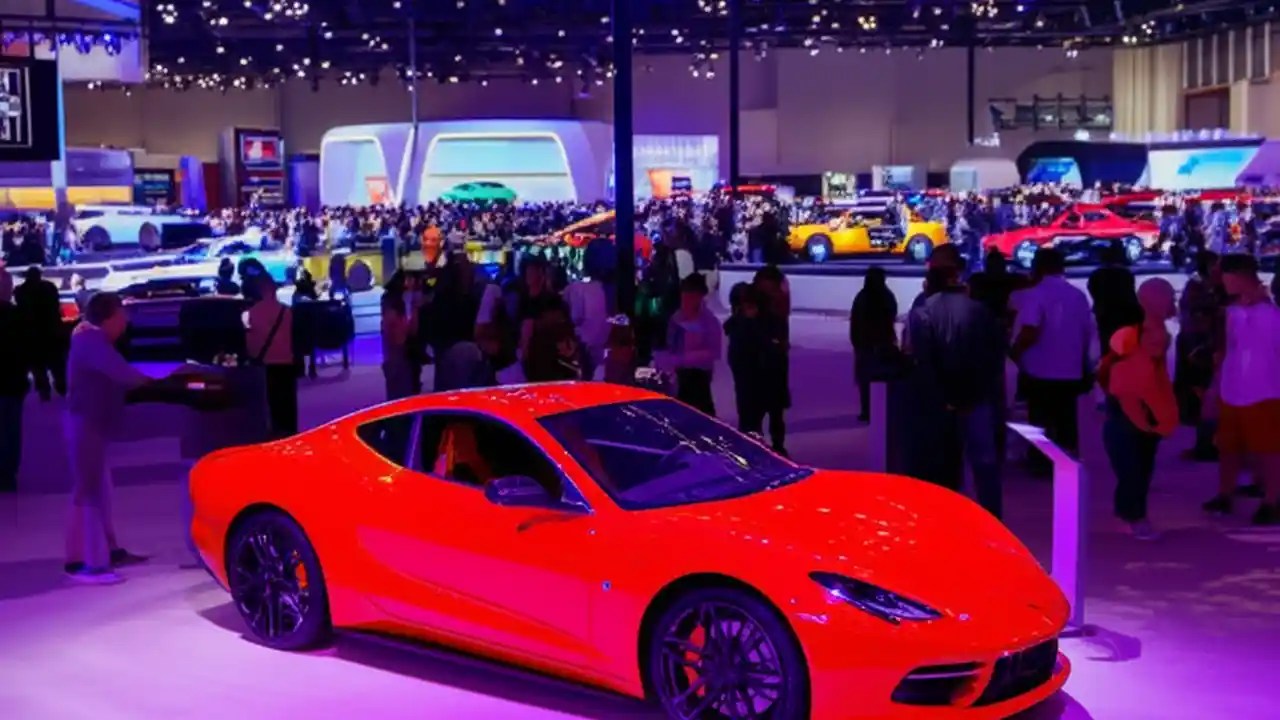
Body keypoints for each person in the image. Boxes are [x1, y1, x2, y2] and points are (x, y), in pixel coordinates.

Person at [63, 293, 153, 584]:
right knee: (89, 491)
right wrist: (162, 379)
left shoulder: (91, 339)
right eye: (121, 315)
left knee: (99, 490)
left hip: (92, 424)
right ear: (108, 317)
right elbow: (124, 374)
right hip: (85, 423)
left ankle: (109, 551)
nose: (125, 321)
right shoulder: (92, 341)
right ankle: (89, 563)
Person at [908, 262, 1008, 518]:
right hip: (976, 397)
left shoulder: (923, 312)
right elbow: (995, 354)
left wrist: (940, 397)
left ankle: (947, 514)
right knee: (984, 463)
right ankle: (992, 517)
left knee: (943, 461)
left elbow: (923, 360)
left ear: (928, 284)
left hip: (940, 401)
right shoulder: (980, 311)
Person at [1203, 254, 1280, 525]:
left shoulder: (1271, 312)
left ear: (1236, 276)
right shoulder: (1231, 311)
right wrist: (1216, 386)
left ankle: (1272, 499)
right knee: (1229, 447)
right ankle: (1225, 494)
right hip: (1232, 389)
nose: (1221, 282)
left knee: (1268, 449)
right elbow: (1226, 350)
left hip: (1266, 391)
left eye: (1224, 276)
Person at [1100, 280, 1179, 540]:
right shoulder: (1138, 333)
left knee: (1141, 464)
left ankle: (1129, 512)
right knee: (1133, 464)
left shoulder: (1151, 330)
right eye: (1167, 297)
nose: (1172, 302)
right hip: (1130, 405)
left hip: (1143, 406)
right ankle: (1133, 515)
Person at [1010, 248, 1094, 473]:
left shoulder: (1036, 294)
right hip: (1071, 368)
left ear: (1038, 267)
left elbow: (1030, 330)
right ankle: (1068, 461)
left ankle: (1041, 464)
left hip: (1041, 369)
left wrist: (1014, 353)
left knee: (1041, 418)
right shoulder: (1078, 296)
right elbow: (1087, 332)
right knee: (1067, 417)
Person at [724, 283, 789, 454]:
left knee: (771, 417)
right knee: (751, 421)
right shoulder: (738, 323)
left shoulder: (768, 322)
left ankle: (774, 448)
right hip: (750, 381)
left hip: (767, 379)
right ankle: (754, 449)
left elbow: (777, 350)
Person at [245, 276, 298, 439]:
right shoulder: (287, 311)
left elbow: (251, 343)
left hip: (266, 364)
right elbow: (294, 338)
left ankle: (275, 435)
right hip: (286, 361)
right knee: (288, 402)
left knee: (271, 402)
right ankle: (291, 434)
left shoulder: (252, 313)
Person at [849, 266, 899, 423]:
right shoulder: (887, 296)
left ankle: (867, 410)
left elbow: (855, 322)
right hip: (882, 343)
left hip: (865, 344)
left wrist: (856, 341)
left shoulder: (862, 297)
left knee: (866, 381)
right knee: (883, 379)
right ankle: (882, 410)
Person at [667, 273, 721, 416]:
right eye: (684, 296)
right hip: (681, 375)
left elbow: (715, 351)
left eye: (691, 296)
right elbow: (671, 347)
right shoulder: (676, 318)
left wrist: (690, 356)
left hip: (700, 376)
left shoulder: (709, 321)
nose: (687, 300)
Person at [15, 266, 65, 401]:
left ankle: (45, 391)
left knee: (38, 366)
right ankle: (62, 387)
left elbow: (21, 311)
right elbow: (56, 306)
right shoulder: (49, 288)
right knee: (56, 364)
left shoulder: (21, 291)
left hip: (32, 335)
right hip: (51, 332)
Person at [1087, 243, 1142, 354]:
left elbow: (1093, 291)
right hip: (1125, 316)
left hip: (1105, 315)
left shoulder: (1097, 275)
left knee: (1107, 349)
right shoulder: (1125, 274)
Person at [0, 270, 27, 493]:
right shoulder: (18, 316)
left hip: (11, 382)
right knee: (11, 428)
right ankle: (8, 474)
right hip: (13, 382)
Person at [380, 291, 415, 400]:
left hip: (393, 360)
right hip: (398, 361)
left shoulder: (387, 320)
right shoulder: (393, 319)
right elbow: (400, 339)